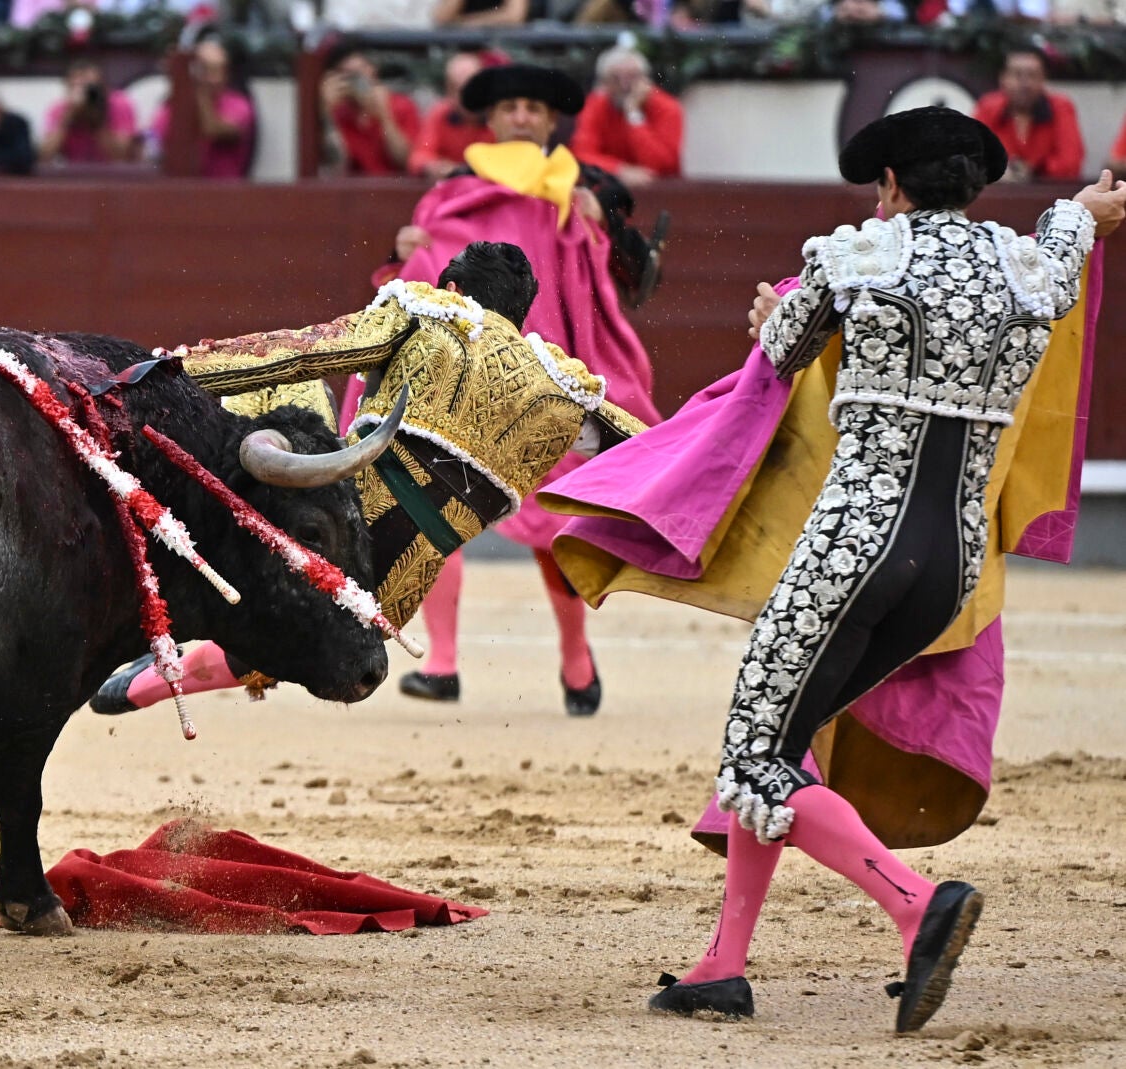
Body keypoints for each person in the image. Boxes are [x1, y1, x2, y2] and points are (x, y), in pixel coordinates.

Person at [628, 107, 1125, 1030]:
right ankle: (721, 964)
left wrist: (779, 315)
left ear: (890, 186)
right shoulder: (1031, 267)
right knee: (785, 739)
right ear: (973, 188)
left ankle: (913, 904)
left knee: (752, 754)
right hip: (949, 572)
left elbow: (776, 359)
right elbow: (1073, 228)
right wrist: (1085, 207)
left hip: (852, 548)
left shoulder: (857, 257)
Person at [88, 242, 647, 716]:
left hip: (335, 530)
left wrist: (173, 370)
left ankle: (170, 574)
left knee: (296, 396)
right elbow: (655, 450)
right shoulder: (562, 388)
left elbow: (307, 352)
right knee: (294, 628)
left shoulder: (431, 313)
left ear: (450, 285)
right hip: (394, 592)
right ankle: (162, 677)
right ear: (519, 316)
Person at [384, 63, 661, 712]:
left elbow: (635, 278)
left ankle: (575, 660)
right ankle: (443, 664)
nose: (521, 117)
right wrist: (405, 250)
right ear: (490, 119)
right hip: (466, 372)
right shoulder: (454, 188)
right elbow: (421, 271)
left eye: (534, 107)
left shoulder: (588, 186)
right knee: (436, 509)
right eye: (509, 107)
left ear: (550, 120)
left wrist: (606, 230)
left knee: (553, 521)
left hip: (550, 371)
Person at [568, 46, 682, 186]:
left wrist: (634, 115)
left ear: (646, 80)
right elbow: (581, 154)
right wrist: (619, 170)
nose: (625, 85)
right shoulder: (595, 105)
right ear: (604, 83)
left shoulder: (667, 107)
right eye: (616, 78)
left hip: (660, 190)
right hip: (610, 187)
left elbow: (662, 166)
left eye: (632, 77)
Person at [972, 46, 1084, 182]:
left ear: (1043, 79)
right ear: (1003, 78)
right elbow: (971, 159)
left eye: (1032, 75)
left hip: (1048, 196)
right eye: (1017, 75)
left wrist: (1033, 170)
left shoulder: (1061, 107)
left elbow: (1071, 165)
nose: (1025, 84)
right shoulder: (988, 106)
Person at [150, 36, 255, 179]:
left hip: (223, 194)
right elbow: (155, 148)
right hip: (182, 192)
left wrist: (200, 90)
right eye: (206, 70)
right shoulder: (172, 107)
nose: (213, 78)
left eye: (217, 70)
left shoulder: (238, 104)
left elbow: (212, 130)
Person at [321, 43, 421, 177]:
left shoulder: (402, 106)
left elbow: (406, 162)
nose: (357, 82)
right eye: (348, 76)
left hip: (395, 190)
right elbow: (336, 166)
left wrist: (384, 115)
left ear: (372, 70)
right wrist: (326, 112)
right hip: (354, 193)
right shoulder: (338, 113)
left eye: (359, 73)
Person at [407, 51, 498, 181]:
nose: (469, 97)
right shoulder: (440, 114)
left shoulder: (498, 115)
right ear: (448, 90)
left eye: (474, 89)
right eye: (460, 90)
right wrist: (437, 167)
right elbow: (419, 157)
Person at [39, 58, 141, 166]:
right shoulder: (60, 109)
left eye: (89, 87)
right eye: (76, 86)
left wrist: (96, 119)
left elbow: (121, 156)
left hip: (113, 176)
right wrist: (67, 118)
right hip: (76, 176)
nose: (84, 93)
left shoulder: (119, 104)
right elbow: (45, 156)